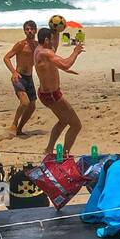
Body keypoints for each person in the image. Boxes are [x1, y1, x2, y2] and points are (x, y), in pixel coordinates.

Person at [34, 26, 85, 157]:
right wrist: (76, 52)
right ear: (46, 40)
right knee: (76, 125)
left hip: (46, 93)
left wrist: (56, 31)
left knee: (63, 120)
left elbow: (53, 60)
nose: (53, 43)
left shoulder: (39, 50)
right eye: (51, 40)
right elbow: (65, 63)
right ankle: (65, 156)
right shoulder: (45, 53)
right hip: (52, 95)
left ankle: (49, 149)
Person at [3, 20, 39, 137]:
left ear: (36, 30)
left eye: (32, 28)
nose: (30, 31)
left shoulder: (38, 46)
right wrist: (13, 72)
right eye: (27, 29)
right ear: (24, 31)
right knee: (25, 103)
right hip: (19, 77)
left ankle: (19, 128)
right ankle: (14, 124)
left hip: (29, 77)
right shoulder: (21, 44)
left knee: (32, 106)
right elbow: (6, 58)